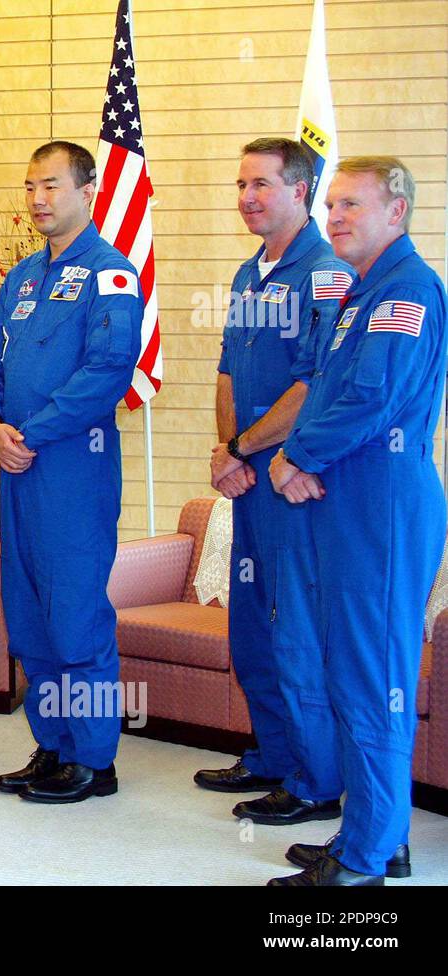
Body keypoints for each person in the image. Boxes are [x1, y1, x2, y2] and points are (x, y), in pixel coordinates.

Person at [268, 157, 447, 886]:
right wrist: (306, 457)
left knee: (374, 679)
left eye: (351, 206)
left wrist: (293, 458)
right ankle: (376, 834)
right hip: (348, 499)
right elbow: (326, 394)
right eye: (331, 205)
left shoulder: (408, 292)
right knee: (352, 674)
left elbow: (370, 402)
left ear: (395, 211)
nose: (335, 217)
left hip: (383, 506)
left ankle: (367, 859)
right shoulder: (360, 293)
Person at [0, 141, 142, 803]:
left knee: (74, 616)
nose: (39, 200)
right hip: (17, 469)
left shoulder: (111, 274)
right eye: (30, 187)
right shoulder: (21, 279)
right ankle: (53, 745)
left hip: (72, 469)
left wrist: (30, 433)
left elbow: (107, 373)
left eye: (51, 186)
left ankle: (93, 761)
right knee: (31, 616)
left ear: (86, 189)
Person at [196, 139, 351, 827]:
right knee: (252, 627)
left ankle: (313, 780)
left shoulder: (326, 273)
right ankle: (269, 753)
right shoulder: (245, 274)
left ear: (300, 190)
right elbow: (230, 370)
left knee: (295, 635)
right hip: (251, 478)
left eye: (261, 184)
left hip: (293, 486)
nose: (247, 197)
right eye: (240, 185)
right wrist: (229, 454)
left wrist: (246, 449)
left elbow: (312, 384)